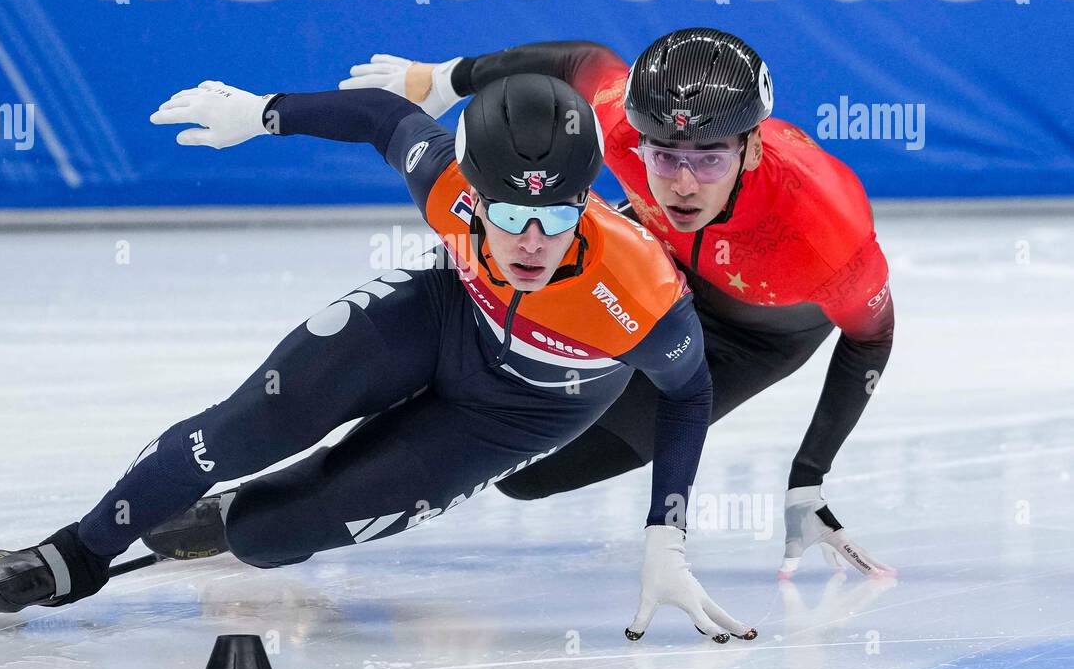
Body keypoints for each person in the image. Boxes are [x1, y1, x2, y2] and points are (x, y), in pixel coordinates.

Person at [0, 74, 757, 642]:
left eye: (555, 216)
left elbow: (688, 394)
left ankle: (228, 518)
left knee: (267, 536)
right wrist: (264, 114)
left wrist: (667, 537)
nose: (530, 242)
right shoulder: (447, 181)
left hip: (522, 413)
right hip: (446, 315)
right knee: (246, 427)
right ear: (473, 196)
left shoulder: (640, 290)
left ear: (583, 200)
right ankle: (75, 553)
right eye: (510, 213)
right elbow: (384, 115)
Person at [341, 29, 895, 579]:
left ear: (750, 149)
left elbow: (871, 337)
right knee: (456, 364)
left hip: (752, 340)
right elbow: (582, 58)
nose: (681, 185)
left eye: (709, 161)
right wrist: (442, 80)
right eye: (664, 156)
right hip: (645, 274)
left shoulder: (824, 233)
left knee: (524, 473)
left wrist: (808, 477)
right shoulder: (622, 125)